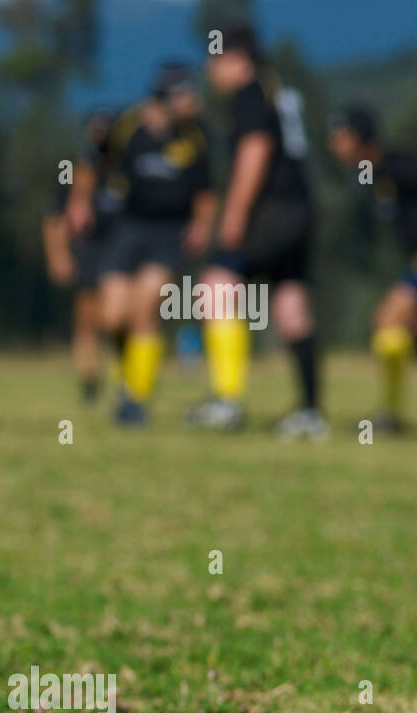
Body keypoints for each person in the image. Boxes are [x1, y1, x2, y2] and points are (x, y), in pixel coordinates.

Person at [188, 20, 323, 438]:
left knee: (215, 287)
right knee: (289, 301)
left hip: (272, 209)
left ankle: (227, 401)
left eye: (215, 58)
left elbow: (255, 151)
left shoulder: (248, 94)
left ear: (237, 59)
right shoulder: (276, 88)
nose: (210, 69)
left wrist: (235, 213)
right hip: (300, 206)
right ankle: (310, 412)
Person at [70, 69, 214, 426]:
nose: (194, 102)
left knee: (145, 309)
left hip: (168, 233)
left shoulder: (196, 137)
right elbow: (90, 162)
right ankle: (129, 374)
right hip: (128, 228)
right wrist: (79, 201)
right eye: (187, 95)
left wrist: (201, 225)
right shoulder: (127, 125)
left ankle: (136, 399)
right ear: (166, 97)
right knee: (111, 316)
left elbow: (206, 191)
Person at [327, 104, 417, 432]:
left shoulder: (399, 164)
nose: (333, 144)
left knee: (388, 321)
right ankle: (391, 416)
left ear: (361, 138)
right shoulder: (373, 173)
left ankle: (391, 416)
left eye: (340, 136)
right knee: (388, 325)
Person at [44, 110, 118, 406]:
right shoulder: (73, 170)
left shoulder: (127, 168)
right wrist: (58, 255)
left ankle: (126, 381)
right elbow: (54, 216)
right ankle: (89, 379)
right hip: (89, 250)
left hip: (122, 249)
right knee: (87, 319)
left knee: (115, 317)